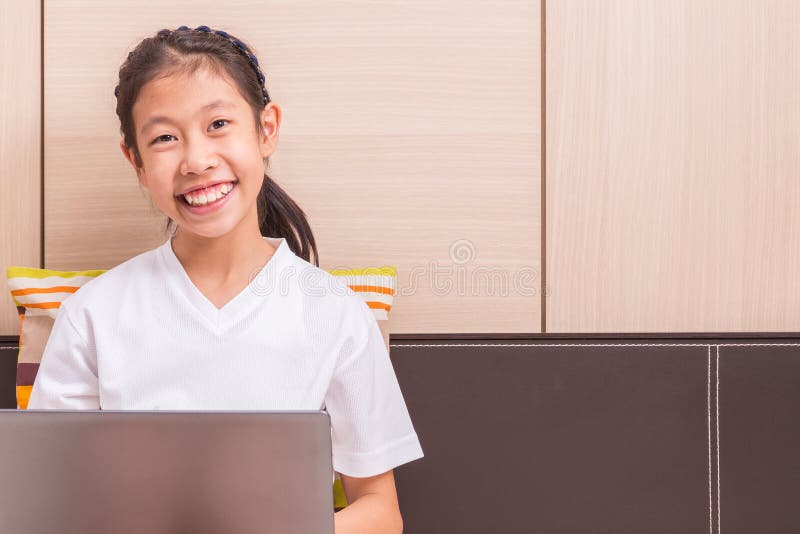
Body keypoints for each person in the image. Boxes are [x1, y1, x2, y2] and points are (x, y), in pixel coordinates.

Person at [27, 25, 422, 533]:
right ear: (137, 162)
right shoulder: (94, 313)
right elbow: (50, 499)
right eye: (165, 138)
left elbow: (380, 511)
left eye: (217, 123)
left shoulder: (334, 312)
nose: (197, 160)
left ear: (266, 129)